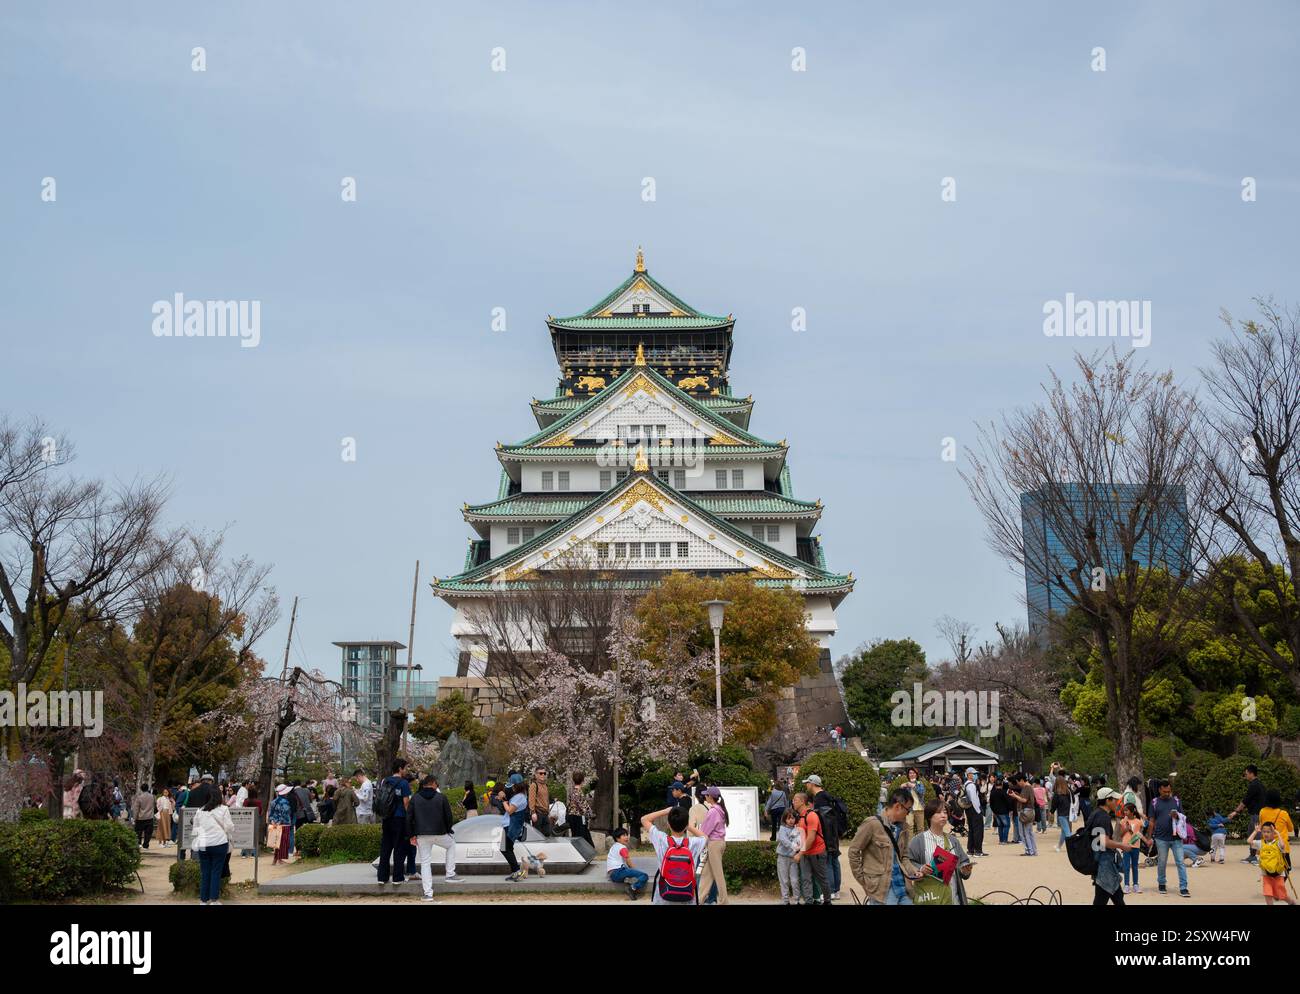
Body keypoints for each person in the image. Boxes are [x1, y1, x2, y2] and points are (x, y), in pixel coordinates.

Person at [847, 787, 920, 905]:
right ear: (898, 806)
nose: (909, 813)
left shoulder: (904, 828)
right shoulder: (872, 824)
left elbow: (904, 857)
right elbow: (853, 851)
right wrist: (864, 881)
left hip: (903, 887)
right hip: (881, 891)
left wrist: (913, 871)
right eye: (908, 809)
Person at [907, 799, 973, 904]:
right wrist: (920, 868)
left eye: (945, 812)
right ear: (929, 816)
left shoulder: (953, 841)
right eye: (939, 812)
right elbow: (907, 862)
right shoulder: (918, 840)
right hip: (930, 897)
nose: (943, 815)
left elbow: (964, 861)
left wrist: (965, 869)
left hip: (952, 898)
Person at [640, 804, 707, 904]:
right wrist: (687, 825)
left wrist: (666, 811)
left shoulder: (661, 839)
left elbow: (644, 819)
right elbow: (705, 837)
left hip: (663, 895)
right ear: (685, 825)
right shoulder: (693, 843)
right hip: (687, 895)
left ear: (668, 824)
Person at [409, 774, 458, 900]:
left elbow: (409, 818)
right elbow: (448, 816)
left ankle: (428, 894)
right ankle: (450, 874)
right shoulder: (441, 797)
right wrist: (448, 830)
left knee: (425, 863)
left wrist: (411, 835)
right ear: (433, 783)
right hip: (439, 832)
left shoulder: (415, 798)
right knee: (451, 844)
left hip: (421, 834)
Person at [1087, 787, 1136, 906]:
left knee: (1116, 896)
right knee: (1103, 898)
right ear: (1108, 800)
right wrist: (1122, 845)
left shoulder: (1095, 814)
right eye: (1115, 800)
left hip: (1098, 859)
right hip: (1104, 862)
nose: (1117, 803)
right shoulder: (1103, 817)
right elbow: (1104, 841)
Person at [192, 789, 235, 906]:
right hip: (219, 843)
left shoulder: (200, 810)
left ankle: (203, 900)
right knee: (216, 872)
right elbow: (230, 827)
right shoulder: (224, 809)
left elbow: (195, 828)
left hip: (203, 844)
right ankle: (214, 900)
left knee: (205, 872)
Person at [1149, 779, 1190, 897]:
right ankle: (1162, 884)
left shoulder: (1176, 801)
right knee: (1162, 862)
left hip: (1176, 838)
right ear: (1159, 790)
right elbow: (1151, 820)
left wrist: (1176, 815)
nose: (1167, 793)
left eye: (1169, 791)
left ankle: (1184, 887)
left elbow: (1183, 817)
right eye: (1165, 791)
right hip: (1161, 838)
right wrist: (1149, 837)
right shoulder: (1154, 802)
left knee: (1180, 862)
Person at [806, 774, 844, 899]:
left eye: (807, 783)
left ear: (812, 784)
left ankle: (831, 891)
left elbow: (823, 819)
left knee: (828, 860)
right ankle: (836, 890)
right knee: (834, 860)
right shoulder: (827, 795)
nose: (806, 785)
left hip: (827, 834)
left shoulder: (819, 798)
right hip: (833, 833)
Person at [376, 758, 413, 886]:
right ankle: (397, 877)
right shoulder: (403, 783)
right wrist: (410, 817)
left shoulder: (385, 781)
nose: (406, 770)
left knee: (385, 847)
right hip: (399, 818)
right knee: (399, 848)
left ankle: (382, 877)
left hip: (386, 818)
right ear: (400, 769)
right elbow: (406, 803)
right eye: (405, 768)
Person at [693, 786, 730, 905]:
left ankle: (724, 901)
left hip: (714, 844)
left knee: (717, 875)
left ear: (710, 797)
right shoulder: (719, 809)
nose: (704, 796)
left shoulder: (713, 811)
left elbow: (704, 831)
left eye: (706, 795)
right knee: (706, 874)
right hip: (717, 843)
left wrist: (693, 831)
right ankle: (698, 900)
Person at [1228, 764, 1265, 864]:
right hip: (1256, 813)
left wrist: (1235, 812)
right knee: (1251, 833)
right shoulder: (1259, 784)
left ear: (1251, 773)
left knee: (1256, 834)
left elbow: (1245, 800)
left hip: (1257, 814)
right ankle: (1253, 855)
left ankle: (1257, 856)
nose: (1245, 776)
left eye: (1246, 773)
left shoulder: (1254, 785)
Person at [1258, 822, 1295, 905]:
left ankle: (1292, 902)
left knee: (1281, 894)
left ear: (1273, 832)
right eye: (1264, 831)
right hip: (1266, 873)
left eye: (1269, 832)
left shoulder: (1277, 843)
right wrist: (1256, 831)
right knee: (1267, 893)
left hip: (1278, 873)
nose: (1266, 834)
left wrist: (1277, 833)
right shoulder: (1262, 843)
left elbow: (1282, 846)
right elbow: (1249, 841)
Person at [605, 826, 648, 900]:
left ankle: (627, 879)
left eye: (627, 835)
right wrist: (636, 870)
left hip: (612, 874)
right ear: (618, 838)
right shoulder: (622, 848)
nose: (626, 837)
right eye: (623, 835)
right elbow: (629, 862)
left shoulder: (614, 846)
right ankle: (632, 888)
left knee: (629, 872)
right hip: (618, 872)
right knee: (644, 876)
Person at [501, 773, 529, 881]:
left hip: (511, 825)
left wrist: (504, 801)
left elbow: (509, 810)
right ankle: (515, 871)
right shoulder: (521, 796)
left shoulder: (519, 797)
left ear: (515, 786)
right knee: (507, 848)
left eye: (512, 786)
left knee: (505, 849)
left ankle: (517, 871)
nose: (511, 788)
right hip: (509, 825)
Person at [775, 808, 803, 905]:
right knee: (784, 880)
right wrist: (794, 846)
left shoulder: (797, 829)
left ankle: (797, 900)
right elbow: (783, 840)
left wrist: (798, 847)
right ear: (784, 819)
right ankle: (785, 900)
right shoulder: (782, 829)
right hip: (782, 857)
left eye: (793, 818)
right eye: (788, 818)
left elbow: (800, 841)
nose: (791, 820)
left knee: (795, 880)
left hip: (793, 858)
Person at [1119, 802, 1148, 894]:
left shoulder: (1138, 821)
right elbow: (1120, 835)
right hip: (1126, 846)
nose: (1125, 813)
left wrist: (1140, 814)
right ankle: (1126, 885)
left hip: (1136, 846)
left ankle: (1136, 885)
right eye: (1124, 811)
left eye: (1126, 811)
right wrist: (1126, 829)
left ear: (1132, 811)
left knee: (1135, 867)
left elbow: (1146, 823)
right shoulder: (1123, 821)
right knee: (1126, 866)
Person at [1008, 774, 1038, 856]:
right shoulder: (1029, 787)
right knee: (1029, 832)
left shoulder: (1026, 787)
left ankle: (1029, 851)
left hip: (1025, 811)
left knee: (1024, 833)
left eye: (1018, 782)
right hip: (1030, 811)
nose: (1018, 784)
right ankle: (1033, 850)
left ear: (1021, 780)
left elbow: (1024, 800)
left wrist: (1015, 796)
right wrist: (1017, 795)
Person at [962, 767, 985, 857]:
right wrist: (979, 811)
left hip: (968, 809)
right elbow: (974, 799)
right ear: (969, 775)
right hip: (974, 809)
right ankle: (978, 851)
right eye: (974, 773)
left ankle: (971, 850)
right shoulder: (971, 785)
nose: (976, 775)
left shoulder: (966, 784)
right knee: (978, 830)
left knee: (972, 830)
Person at [268, 785, 293, 864]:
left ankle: (275, 859)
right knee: (283, 842)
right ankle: (279, 859)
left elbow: (270, 813)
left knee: (276, 841)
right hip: (284, 824)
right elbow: (285, 813)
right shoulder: (285, 802)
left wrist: (273, 821)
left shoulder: (273, 801)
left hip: (274, 824)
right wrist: (280, 821)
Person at [566, 772, 594, 846]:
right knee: (582, 836)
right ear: (582, 781)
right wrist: (591, 814)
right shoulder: (579, 792)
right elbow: (583, 807)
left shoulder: (571, 792)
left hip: (571, 816)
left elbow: (569, 805)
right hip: (579, 817)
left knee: (575, 835)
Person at [528, 767, 553, 838]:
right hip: (538, 814)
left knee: (547, 834)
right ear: (536, 775)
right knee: (538, 836)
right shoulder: (534, 785)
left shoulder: (545, 785)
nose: (543, 775)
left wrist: (548, 812)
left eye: (544, 773)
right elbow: (531, 799)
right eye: (540, 773)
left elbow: (547, 800)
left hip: (545, 814)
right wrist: (533, 812)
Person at [1051, 774, 1072, 852]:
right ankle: (1059, 847)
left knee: (1067, 833)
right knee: (1064, 831)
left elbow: (1054, 804)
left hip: (1062, 814)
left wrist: (1051, 812)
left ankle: (1073, 847)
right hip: (1069, 813)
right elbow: (1072, 800)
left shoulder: (1057, 793)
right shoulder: (1069, 791)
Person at [989, 774, 1012, 845]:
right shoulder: (1004, 793)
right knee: (1006, 825)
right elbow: (1009, 802)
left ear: (995, 785)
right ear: (1001, 785)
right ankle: (1004, 840)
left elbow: (991, 803)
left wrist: (993, 810)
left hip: (996, 812)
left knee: (1000, 826)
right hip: (1004, 811)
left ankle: (1001, 840)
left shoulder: (992, 793)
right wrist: (1010, 809)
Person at [132, 783, 156, 850]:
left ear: (141, 789)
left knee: (138, 831)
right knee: (148, 833)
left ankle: (139, 843)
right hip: (150, 817)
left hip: (140, 817)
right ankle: (146, 845)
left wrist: (134, 818)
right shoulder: (152, 797)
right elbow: (154, 805)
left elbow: (136, 809)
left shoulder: (139, 797)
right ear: (148, 788)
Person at [905, 768, 926, 836]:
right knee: (909, 827)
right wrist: (901, 787)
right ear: (908, 775)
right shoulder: (906, 785)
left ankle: (920, 844)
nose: (912, 774)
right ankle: (910, 845)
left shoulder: (920, 783)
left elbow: (921, 792)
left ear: (916, 775)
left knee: (920, 828)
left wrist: (912, 786)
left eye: (913, 773)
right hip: (909, 809)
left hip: (919, 808)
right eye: (910, 773)